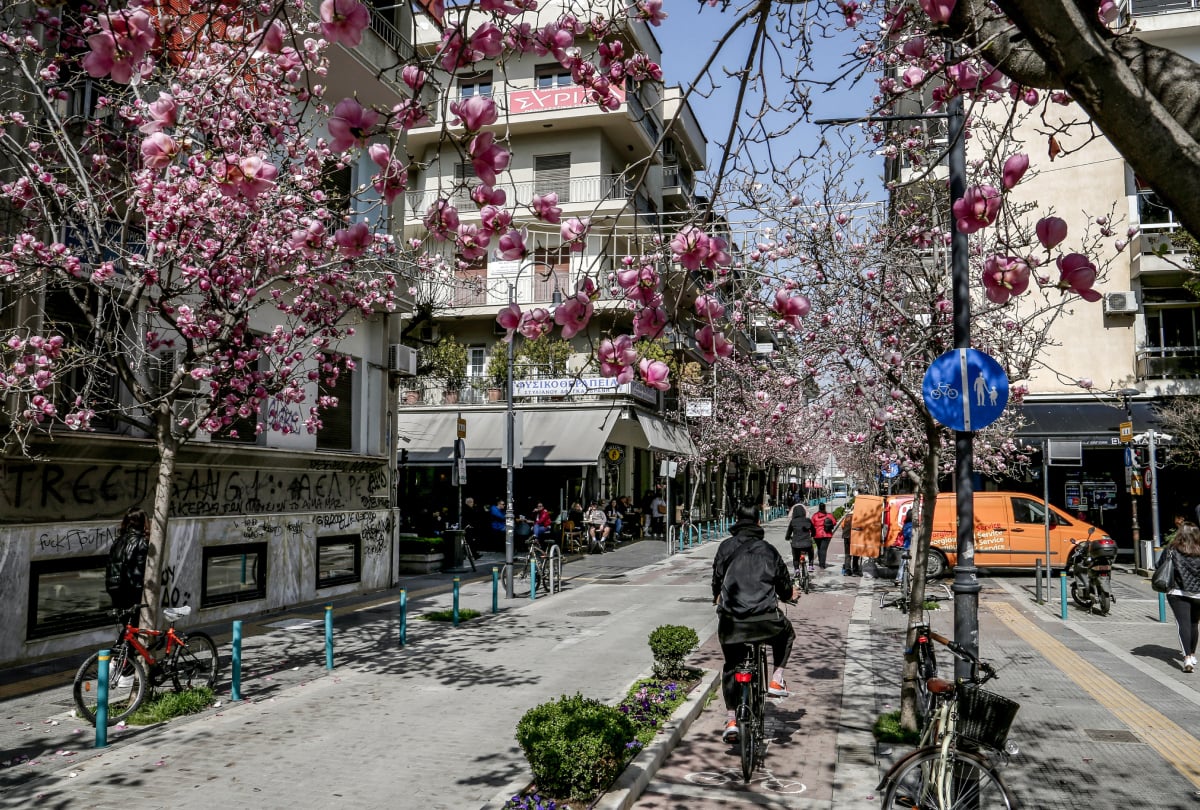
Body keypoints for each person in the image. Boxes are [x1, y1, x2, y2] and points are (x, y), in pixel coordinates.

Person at [712, 504, 798, 743]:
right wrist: (790, 594)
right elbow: (783, 583)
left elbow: (717, 579)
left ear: (736, 520)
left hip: (732, 622)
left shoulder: (725, 547)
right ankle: (776, 680)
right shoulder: (768, 550)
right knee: (787, 634)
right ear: (759, 522)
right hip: (765, 621)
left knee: (732, 664)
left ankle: (731, 720)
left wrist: (716, 596)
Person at [1163, 523, 1200, 673]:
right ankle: (1192, 655)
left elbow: (1160, 565)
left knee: (1183, 624)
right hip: (1198, 594)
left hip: (1177, 592)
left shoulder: (1172, 549)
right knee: (1194, 623)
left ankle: (1187, 659)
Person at [105, 507, 150, 624]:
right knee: (135, 625)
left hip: (114, 589)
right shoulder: (142, 542)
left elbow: (110, 566)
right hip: (131, 590)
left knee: (127, 626)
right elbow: (139, 571)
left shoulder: (118, 541)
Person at [784, 503, 814, 573]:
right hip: (807, 544)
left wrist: (787, 538)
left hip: (796, 544)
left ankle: (797, 570)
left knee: (795, 557)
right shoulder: (808, 520)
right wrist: (812, 535)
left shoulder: (793, 521)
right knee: (811, 551)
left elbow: (788, 533)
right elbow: (813, 530)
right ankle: (810, 565)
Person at [811, 502, 835, 569]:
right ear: (824, 508)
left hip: (817, 535)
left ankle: (820, 562)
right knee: (823, 549)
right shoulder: (829, 515)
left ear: (819, 508)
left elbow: (811, 525)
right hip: (827, 534)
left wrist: (811, 533)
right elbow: (834, 522)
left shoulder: (815, 515)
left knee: (819, 548)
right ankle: (822, 564)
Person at [896, 510, 914, 586]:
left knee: (903, 564)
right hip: (910, 546)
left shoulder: (906, 524)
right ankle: (902, 579)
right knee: (906, 564)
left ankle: (899, 579)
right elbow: (909, 535)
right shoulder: (911, 525)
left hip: (906, 546)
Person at [841, 505, 859, 576]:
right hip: (855, 537)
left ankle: (847, 571)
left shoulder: (847, 516)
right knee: (855, 554)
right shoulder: (858, 517)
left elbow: (842, 525)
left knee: (847, 554)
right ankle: (855, 571)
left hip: (846, 537)